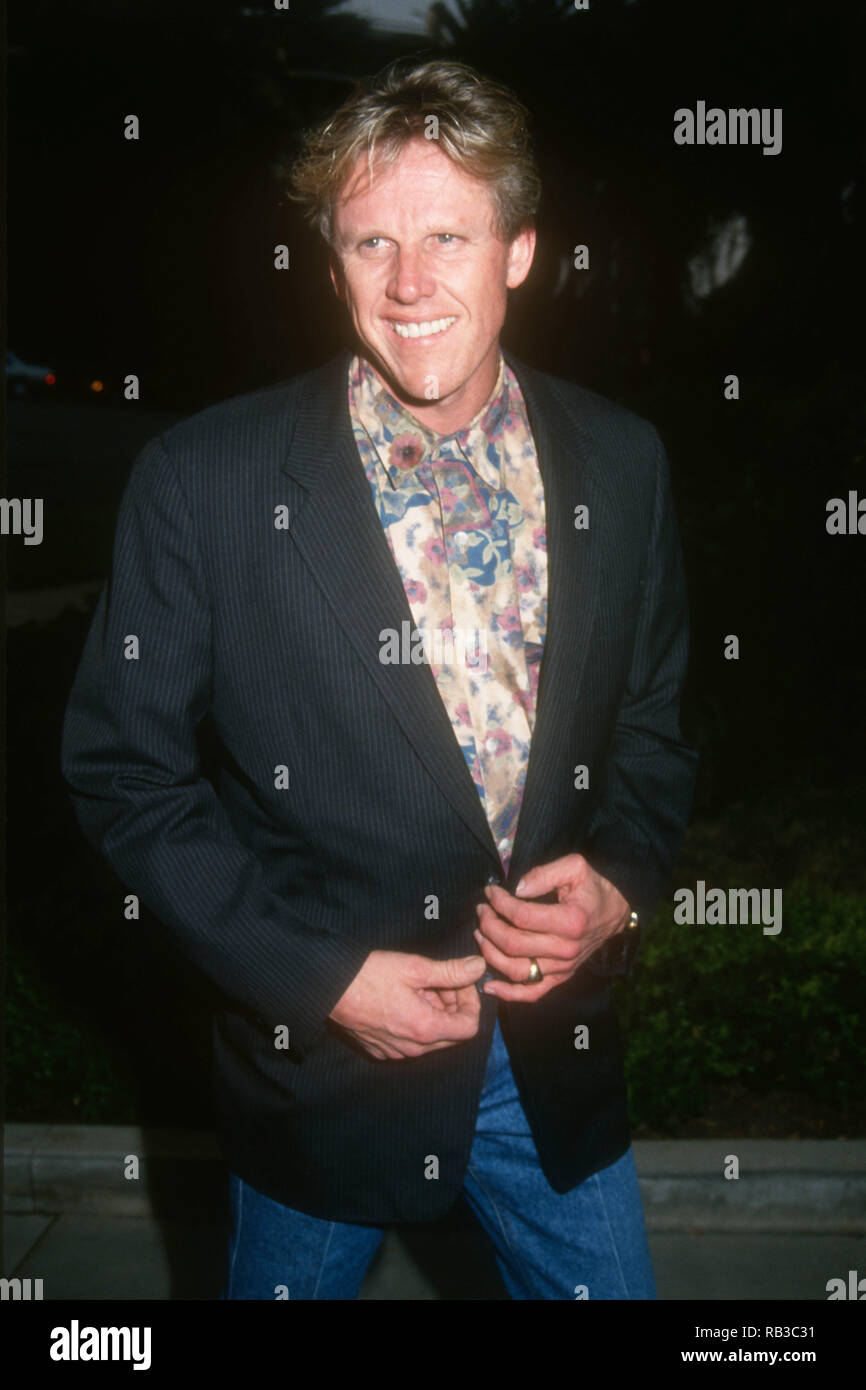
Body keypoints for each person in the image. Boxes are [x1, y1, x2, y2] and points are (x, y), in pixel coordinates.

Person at [61, 58, 698, 1300]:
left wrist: (619, 881)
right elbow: (123, 772)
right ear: (332, 259)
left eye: (447, 236)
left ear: (518, 250)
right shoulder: (205, 480)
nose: (408, 286)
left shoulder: (625, 464)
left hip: (546, 1057)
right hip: (322, 1073)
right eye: (370, 244)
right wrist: (320, 980)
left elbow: (654, 720)